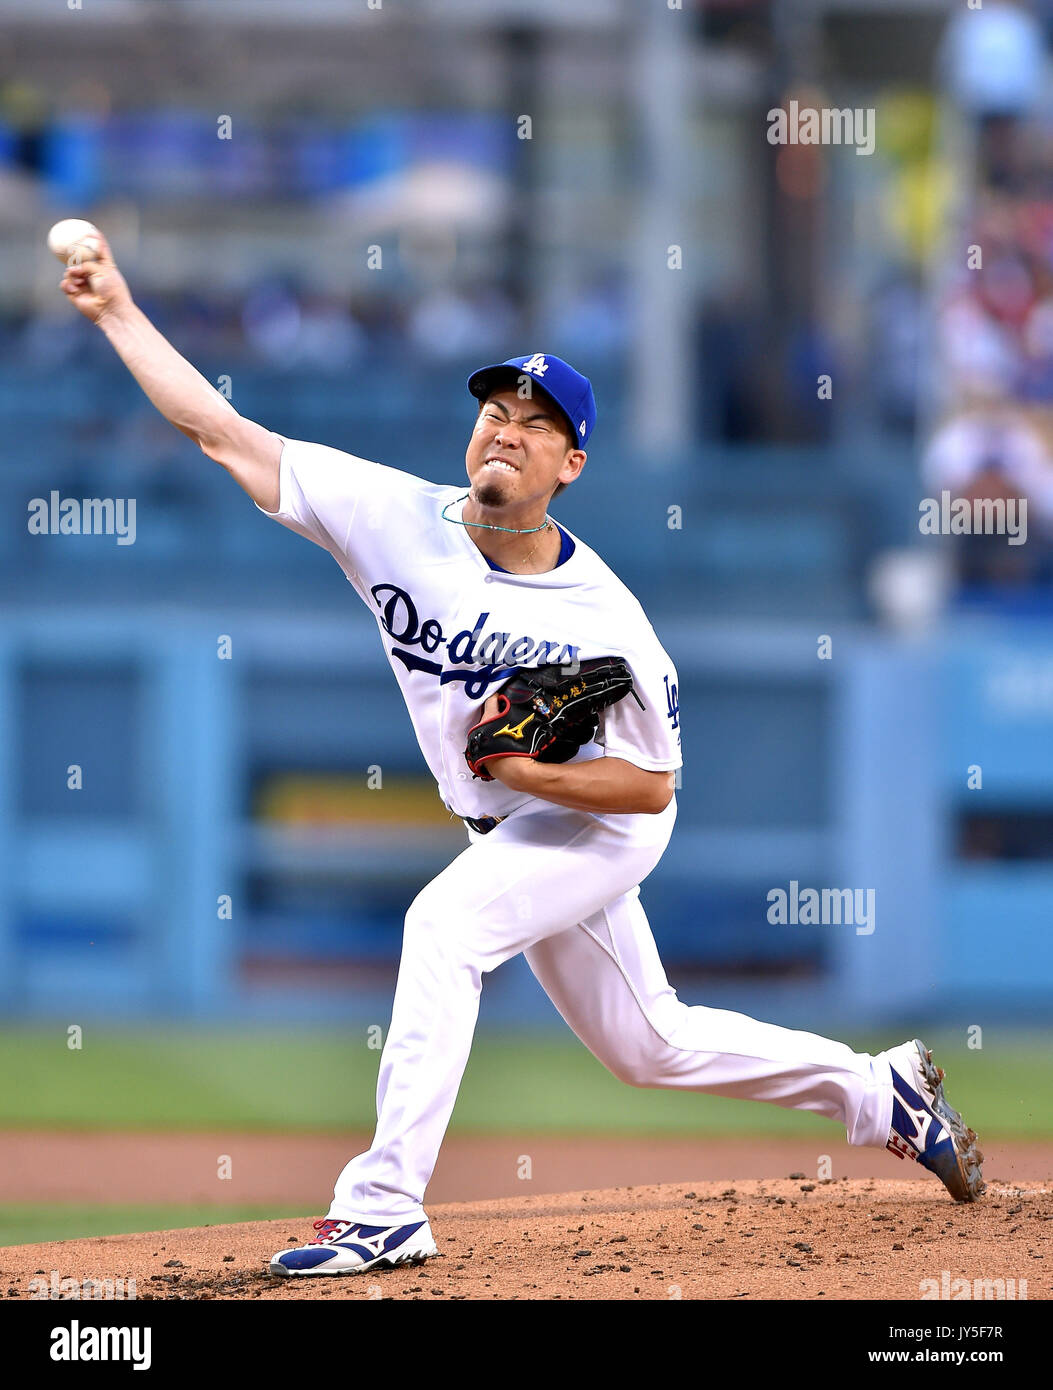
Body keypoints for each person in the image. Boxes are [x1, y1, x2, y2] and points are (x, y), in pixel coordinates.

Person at [58, 232, 985, 1279]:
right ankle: (880, 1092)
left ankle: (385, 1204)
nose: (507, 428)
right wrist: (117, 311)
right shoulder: (392, 517)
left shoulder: (609, 621)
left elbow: (652, 786)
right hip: (512, 817)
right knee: (649, 1044)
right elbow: (221, 432)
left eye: (536, 425)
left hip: (601, 818)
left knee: (442, 925)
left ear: (569, 465)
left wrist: (538, 776)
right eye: (496, 411)